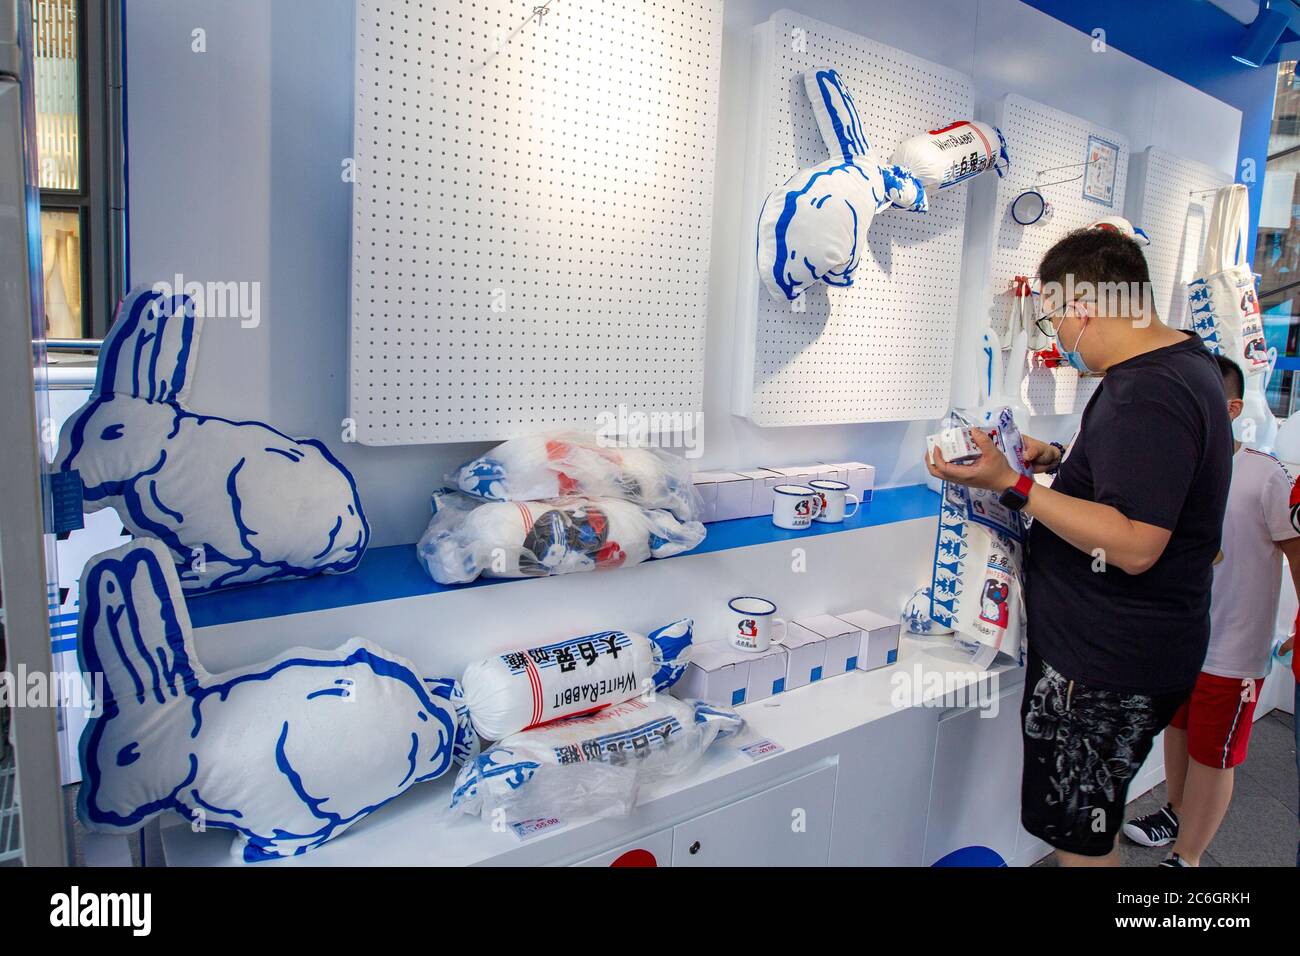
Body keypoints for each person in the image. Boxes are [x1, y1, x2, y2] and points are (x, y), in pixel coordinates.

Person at [927, 228, 1232, 867]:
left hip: (1103, 669)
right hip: (1138, 650)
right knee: (1092, 820)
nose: (1057, 338)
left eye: (1053, 320)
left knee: (1080, 839)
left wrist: (1011, 485)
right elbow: (1151, 479)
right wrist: (1056, 459)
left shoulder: (1145, 391)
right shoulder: (1183, 364)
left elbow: (1136, 544)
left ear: (1083, 307)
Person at [1122, 355, 1300, 865]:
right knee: (1178, 730)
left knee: (1214, 753)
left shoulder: (1264, 475)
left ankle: (1189, 857)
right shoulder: (1169, 469)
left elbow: (1295, 554)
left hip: (1234, 649)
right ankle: (1177, 812)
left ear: (1231, 408)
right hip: (1179, 638)